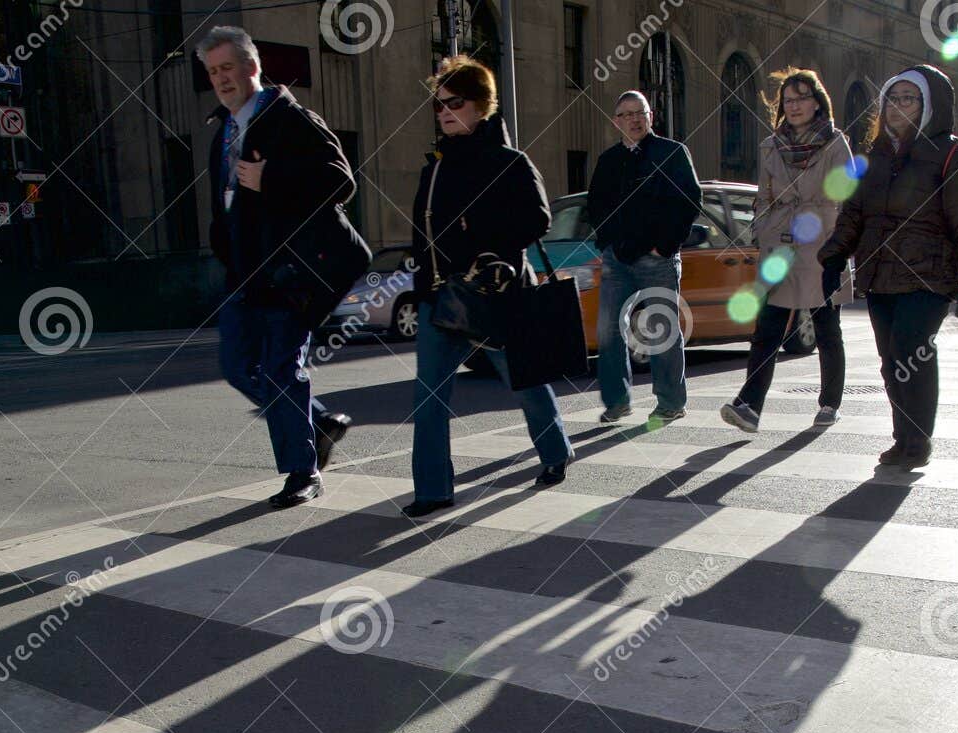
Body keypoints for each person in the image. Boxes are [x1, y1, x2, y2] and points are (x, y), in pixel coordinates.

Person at [200, 26, 364, 508]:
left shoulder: (291, 119)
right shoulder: (223, 132)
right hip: (244, 276)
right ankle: (319, 423)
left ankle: (302, 472)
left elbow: (341, 181)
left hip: (290, 274)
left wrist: (273, 178)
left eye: (227, 67)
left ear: (252, 66)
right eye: (212, 72)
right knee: (236, 367)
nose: (221, 79)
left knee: (280, 371)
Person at [404, 55, 574, 518]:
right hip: (443, 298)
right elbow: (423, 236)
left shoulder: (510, 161)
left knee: (526, 382)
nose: (443, 112)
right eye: (438, 105)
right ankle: (434, 489)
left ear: (481, 105)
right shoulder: (433, 169)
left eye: (453, 103)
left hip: (499, 295)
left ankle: (556, 451)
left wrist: (488, 246)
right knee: (429, 395)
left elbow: (537, 218)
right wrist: (423, 290)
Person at [817, 64, 958, 469]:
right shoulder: (874, 157)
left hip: (928, 276)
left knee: (910, 353)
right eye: (891, 99)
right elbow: (853, 214)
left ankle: (918, 440)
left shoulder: (953, 155)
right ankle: (903, 437)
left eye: (908, 98)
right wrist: (833, 256)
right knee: (890, 360)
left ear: (931, 105)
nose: (897, 107)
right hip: (880, 276)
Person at [721, 68, 851, 433]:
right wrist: (763, 227)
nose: (794, 106)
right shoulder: (770, 145)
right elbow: (763, 196)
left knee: (826, 327)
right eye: (788, 100)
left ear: (817, 102)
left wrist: (836, 241)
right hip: (779, 244)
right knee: (768, 328)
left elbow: (843, 195)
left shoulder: (835, 143)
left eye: (801, 98)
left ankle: (829, 403)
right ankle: (749, 406)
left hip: (821, 244)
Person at [585, 91, 702, 424]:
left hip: (658, 259)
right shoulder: (608, 160)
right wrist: (607, 243)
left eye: (640, 113)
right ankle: (617, 401)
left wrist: (664, 246)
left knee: (663, 330)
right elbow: (595, 206)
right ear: (616, 121)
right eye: (626, 115)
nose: (634, 120)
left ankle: (670, 402)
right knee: (608, 330)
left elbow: (690, 202)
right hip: (616, 259)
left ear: (651, 117)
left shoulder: (672, 152)